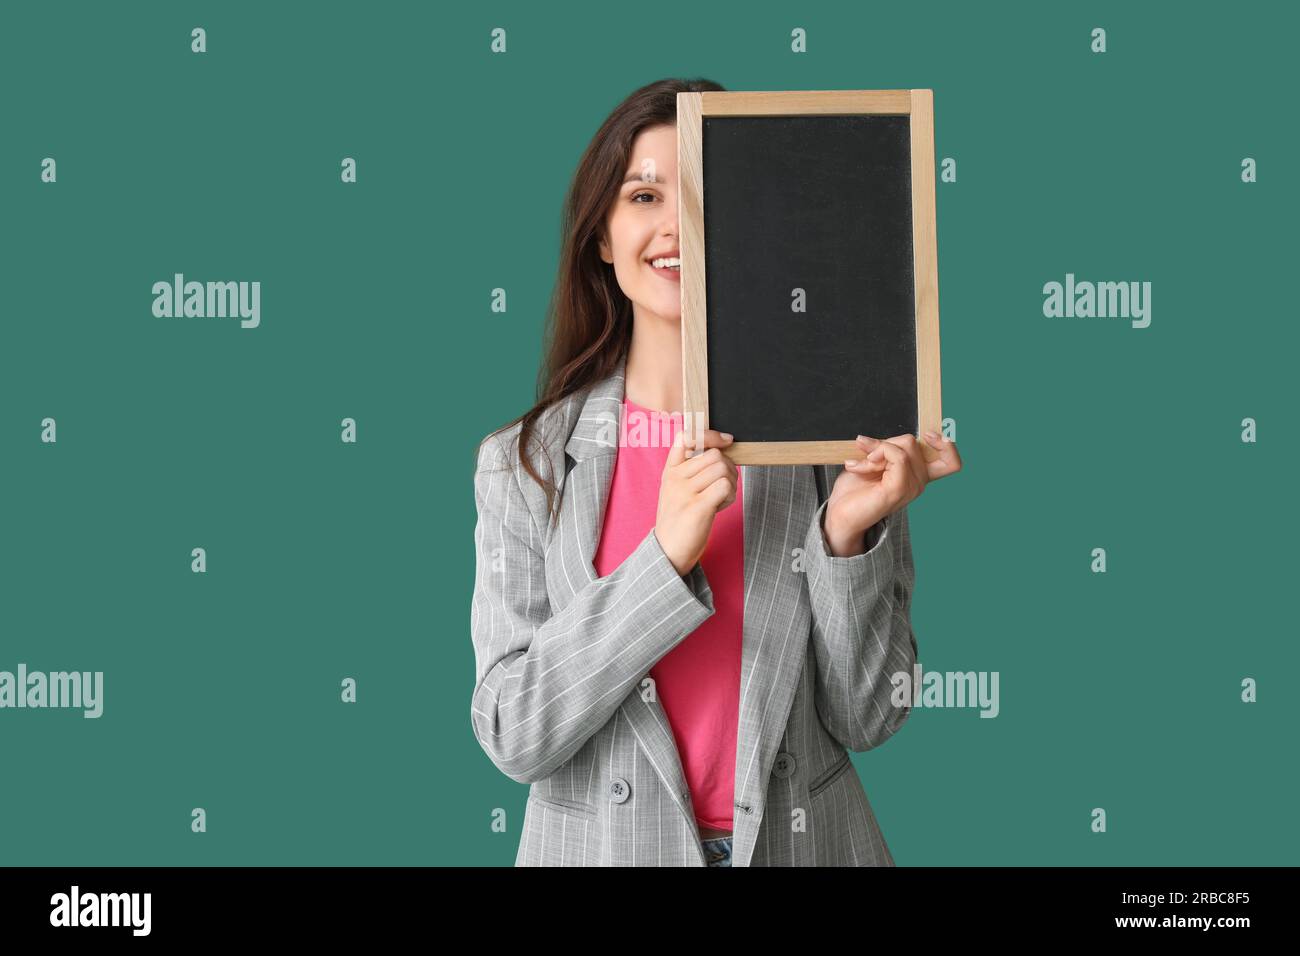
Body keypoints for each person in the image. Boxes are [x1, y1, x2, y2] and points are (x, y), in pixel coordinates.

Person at [469, 77, 962, 867]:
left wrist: (844, 537)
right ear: (600, 234)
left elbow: (872, 715)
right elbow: (513, 734)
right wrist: (660, 562)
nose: (675, 225)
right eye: (642, 195)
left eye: (704, 192)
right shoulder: (523, 464)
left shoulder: (833, 441)